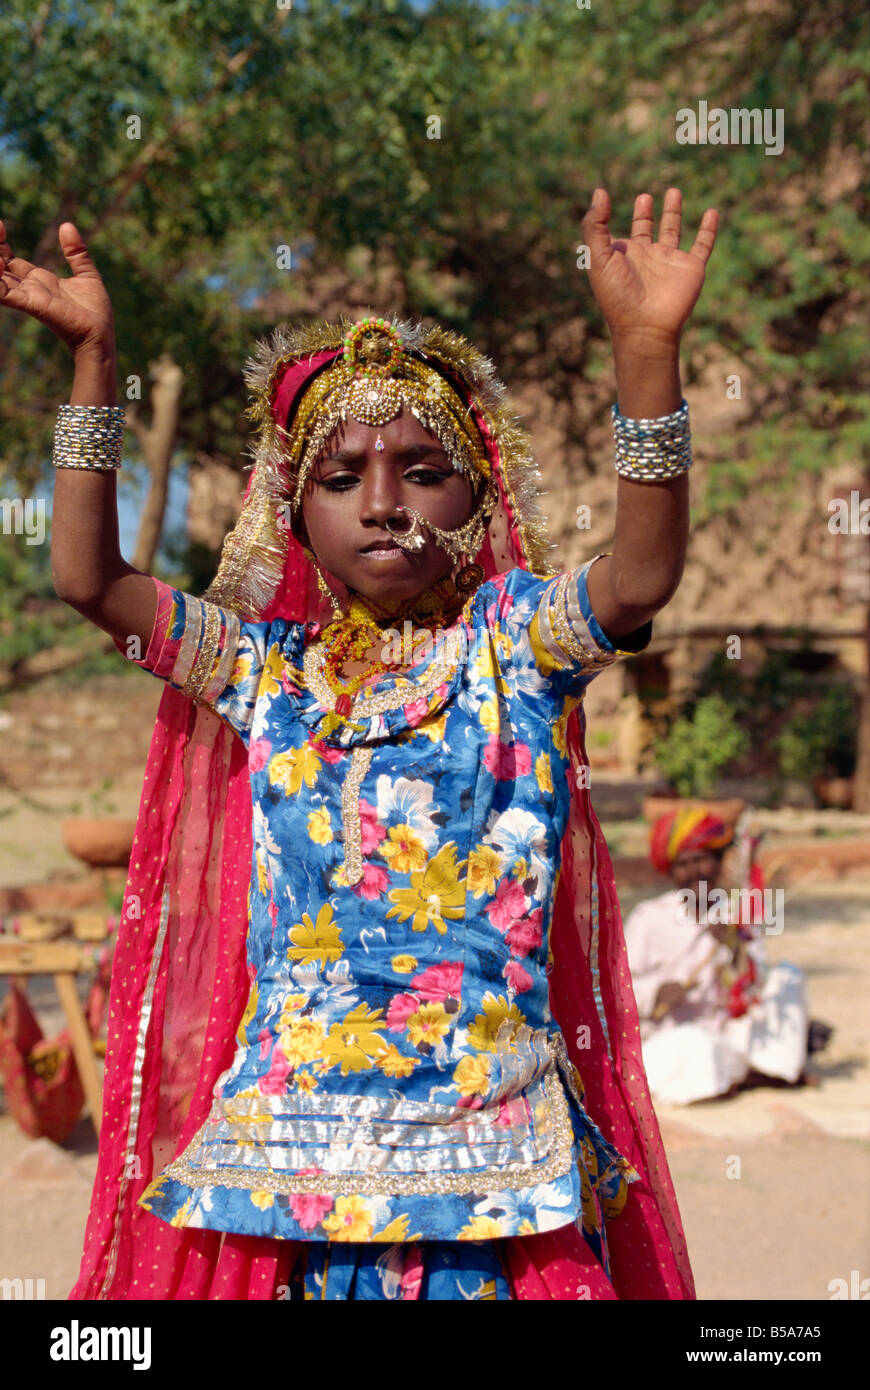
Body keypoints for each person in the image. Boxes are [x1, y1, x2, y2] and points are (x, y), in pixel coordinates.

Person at [1, 185, 719, 1300]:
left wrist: (646, 350)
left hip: (495, 1172)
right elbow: (89, 580)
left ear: (476, 503)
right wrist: (96, 360)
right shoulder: (264, 673)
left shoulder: (517, 644)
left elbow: (642, 577)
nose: (385, 501)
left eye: (422, 471)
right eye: (342, 478)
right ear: (294, 513)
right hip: (296, 1171)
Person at [623, 808, 810, 1106]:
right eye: (685, 864)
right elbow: (614, 992)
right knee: (697, 1046)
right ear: (670, 872)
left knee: (788, 977)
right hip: (670, 1036)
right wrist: (656, 992)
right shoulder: (648, 918)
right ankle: (746, 1073)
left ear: (719, 862)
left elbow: (756, 985)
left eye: (703, 859)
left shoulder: (734, 916)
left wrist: (737, 947)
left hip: (727, 1030)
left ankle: (757, 1070)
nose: (696, 871)